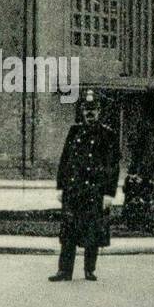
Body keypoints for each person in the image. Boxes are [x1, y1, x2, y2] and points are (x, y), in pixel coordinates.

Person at [50, 90, 120, 282]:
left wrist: (109, 193)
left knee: (92, 232)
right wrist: (61, 187)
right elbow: (65, 161)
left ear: (99, 112)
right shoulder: (74, 132)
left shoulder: (108, 135)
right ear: (82, 111)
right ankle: (64, 271)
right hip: (74, 191)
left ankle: (89, 270)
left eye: (94, 110)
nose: (90, 113)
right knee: (68, 232)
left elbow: (113, 167)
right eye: (86, 109)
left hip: (95, 192)